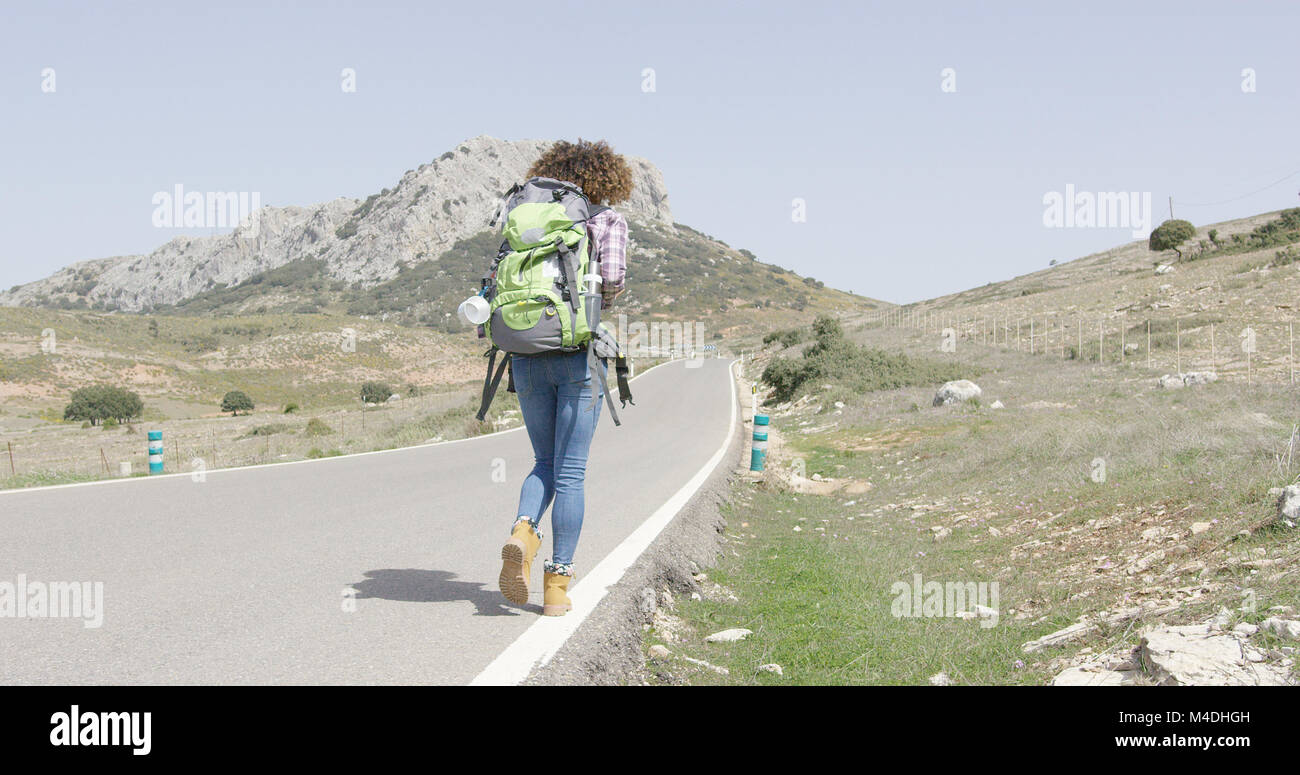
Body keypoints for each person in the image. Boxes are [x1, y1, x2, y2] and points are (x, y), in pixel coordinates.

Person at [498, 140, 632, 616]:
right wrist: (593, 307)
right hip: (578, 356)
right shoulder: (606, 219)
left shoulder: (526, 213)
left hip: (524, 354)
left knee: (542, 461)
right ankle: (556, 588)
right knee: (571, 470)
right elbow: (612, 280)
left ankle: (522, 531)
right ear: (609, 178)